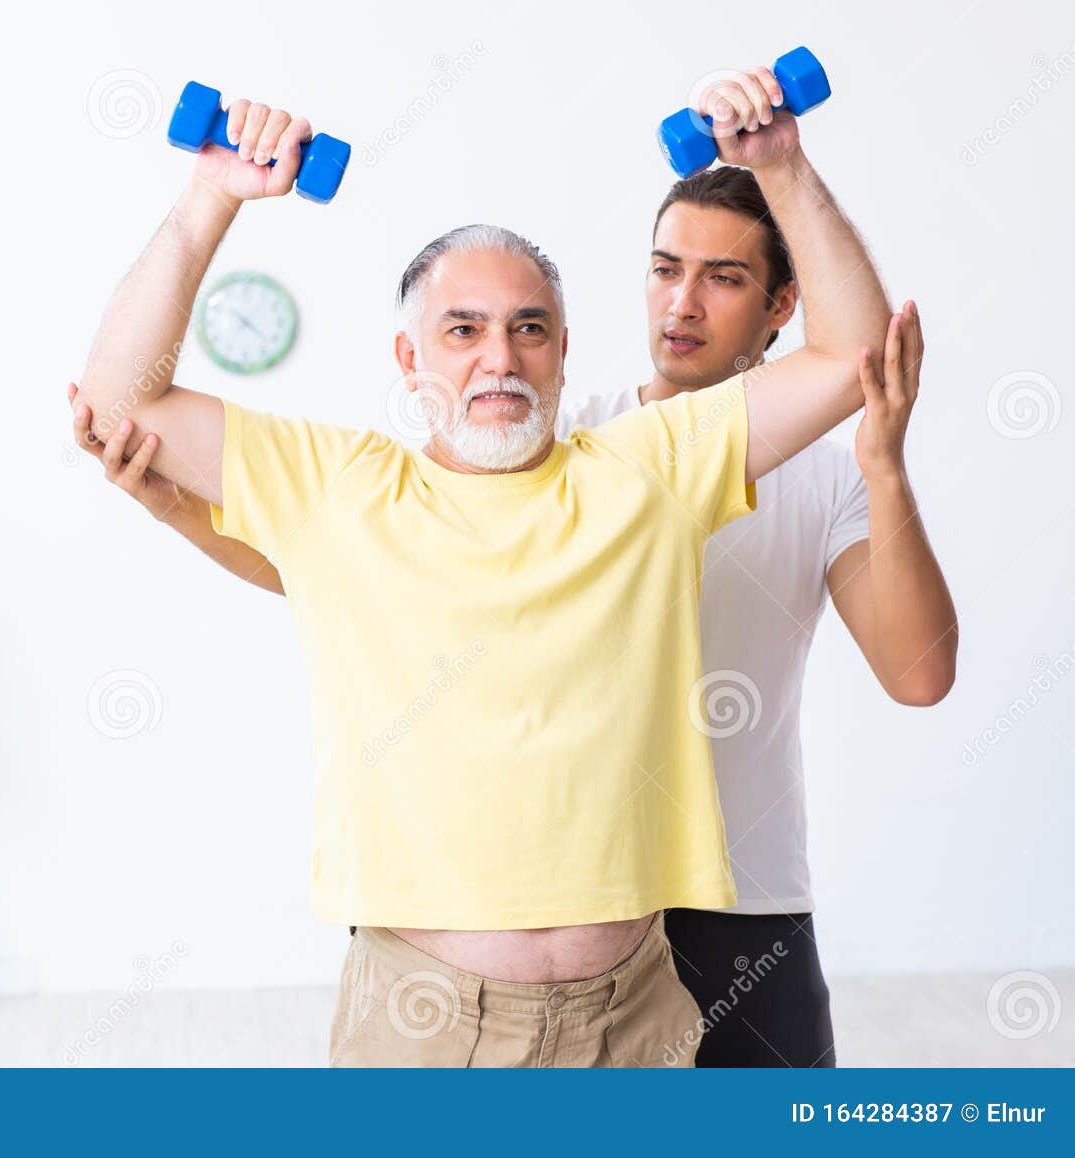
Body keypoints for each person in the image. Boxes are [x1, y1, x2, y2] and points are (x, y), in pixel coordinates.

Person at [71, 67, 897, 1066]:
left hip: (635, 1016)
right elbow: (118, 398)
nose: (497, 357)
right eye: (461, 331)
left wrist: (780, 165)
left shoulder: (650, 465)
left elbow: (853, 351)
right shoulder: (339, 486)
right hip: (423, 1027)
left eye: (528, 328)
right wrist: (211, 195)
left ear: (561, 354)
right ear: (408, 360)